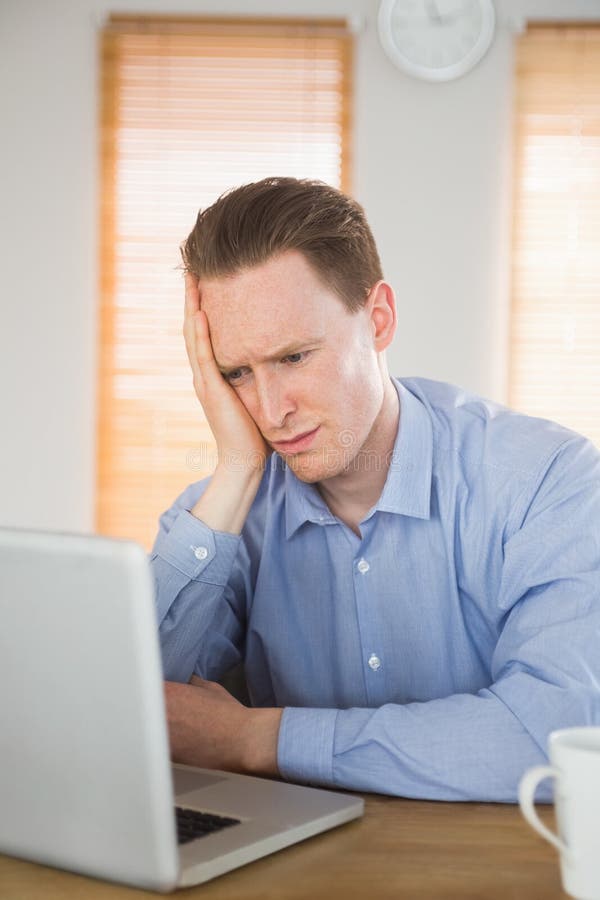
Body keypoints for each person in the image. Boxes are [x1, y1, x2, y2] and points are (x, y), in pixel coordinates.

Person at [152, 177, 600, 802]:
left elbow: (555, 739)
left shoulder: (548, 482)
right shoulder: (222, 514)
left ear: (379, 319)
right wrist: (234, 469)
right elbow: (139, 716)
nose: (272, 410)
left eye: (294, 357)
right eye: (236, 373)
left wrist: (255, 739)